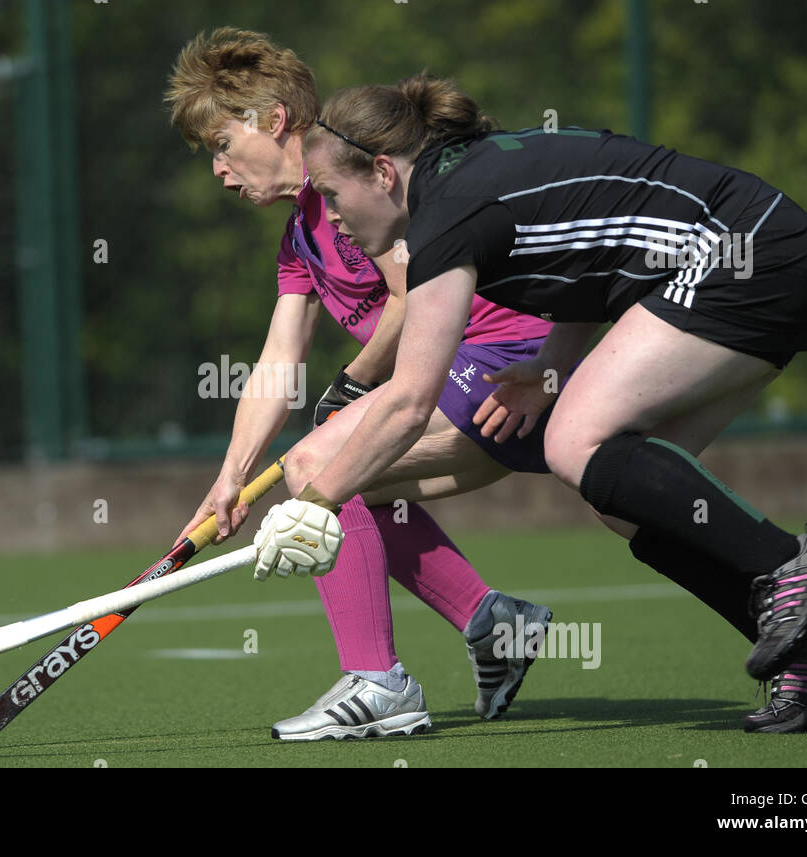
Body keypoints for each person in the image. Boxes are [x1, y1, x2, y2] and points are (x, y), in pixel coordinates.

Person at [252, 73, 807, 733]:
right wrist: (551, 363)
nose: (338, 222)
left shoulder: (446, 215)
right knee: (622, 498)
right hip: (766, 256)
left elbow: (409, 400)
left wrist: (315, 502)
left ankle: (788, 562)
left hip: (744, 254)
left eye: (332, 194)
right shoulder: (465, 185)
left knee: (572, 440)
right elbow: (593, 262)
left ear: (382, 172)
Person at [165, 30, 557, 740]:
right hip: (453, 382)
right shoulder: (300, 236)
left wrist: (353, 381)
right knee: (356, 477)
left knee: (321, 463)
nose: (219, 171)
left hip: (511, 362)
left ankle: (379, 684)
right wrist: (230, 477)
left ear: (273, 121)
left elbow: (411, 298)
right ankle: (490, 621)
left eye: (222, 145)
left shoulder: (352, 188)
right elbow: (279, 357)